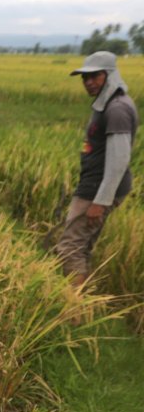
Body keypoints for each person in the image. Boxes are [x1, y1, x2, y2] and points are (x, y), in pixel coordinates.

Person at [54, 50, 138, 286]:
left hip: (98, 191)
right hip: (94, 186)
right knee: (81, 245)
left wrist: (100, 201)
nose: (88, 82)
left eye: (95, 76)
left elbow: (120, 159)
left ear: (110, 75)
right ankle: (80, 304)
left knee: (69, 247)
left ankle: (73, 309)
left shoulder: (117, 109)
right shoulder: (109, 104)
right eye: (85, 77)